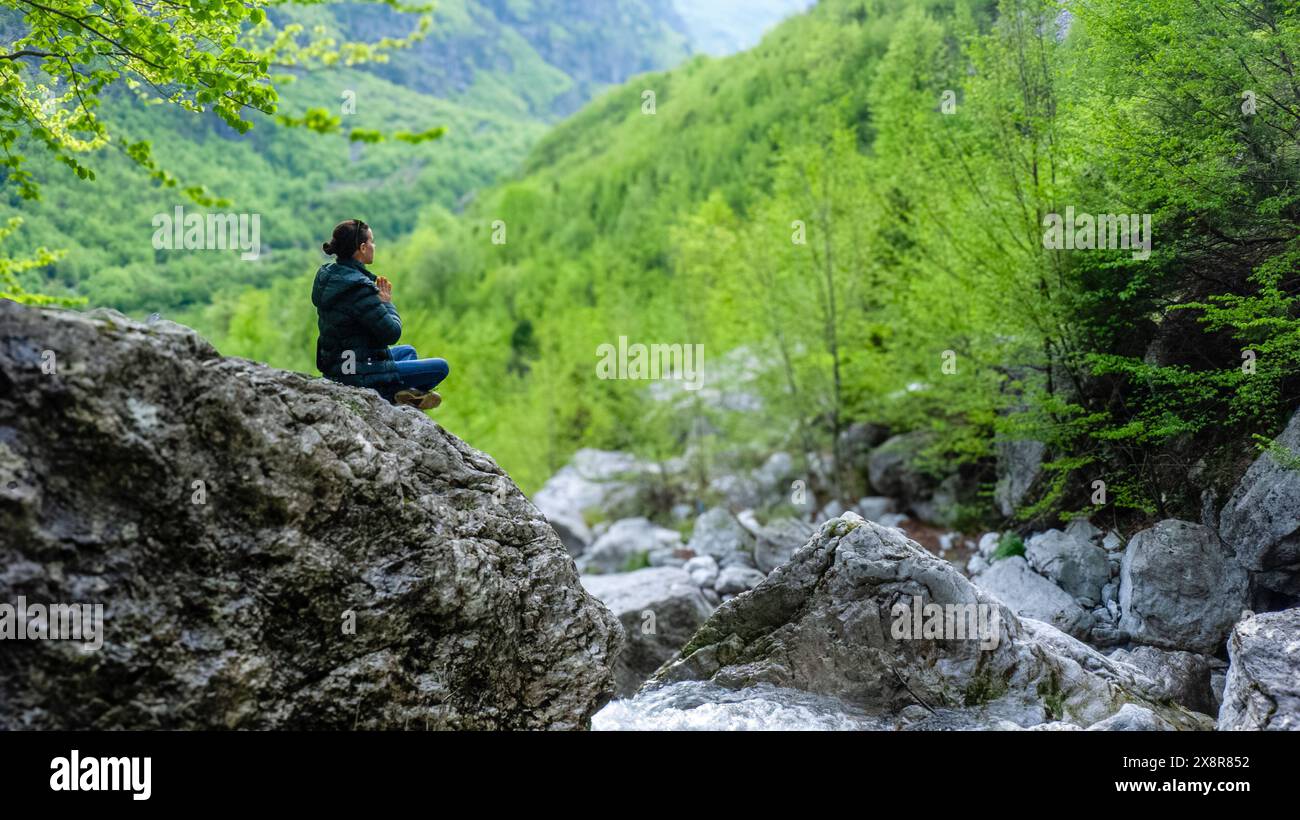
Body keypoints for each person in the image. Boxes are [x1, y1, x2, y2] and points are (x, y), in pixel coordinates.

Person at [312, 219, 449, 410]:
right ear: (362, 247)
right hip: (355, 376)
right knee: (440, 367)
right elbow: (392, 334)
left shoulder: (330, 278)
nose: (374, 246)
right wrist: (387, 304)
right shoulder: (358, 289)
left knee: (408, 352)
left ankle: (404, 392)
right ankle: (391, 393)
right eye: (372, 241)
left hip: (338, 365)